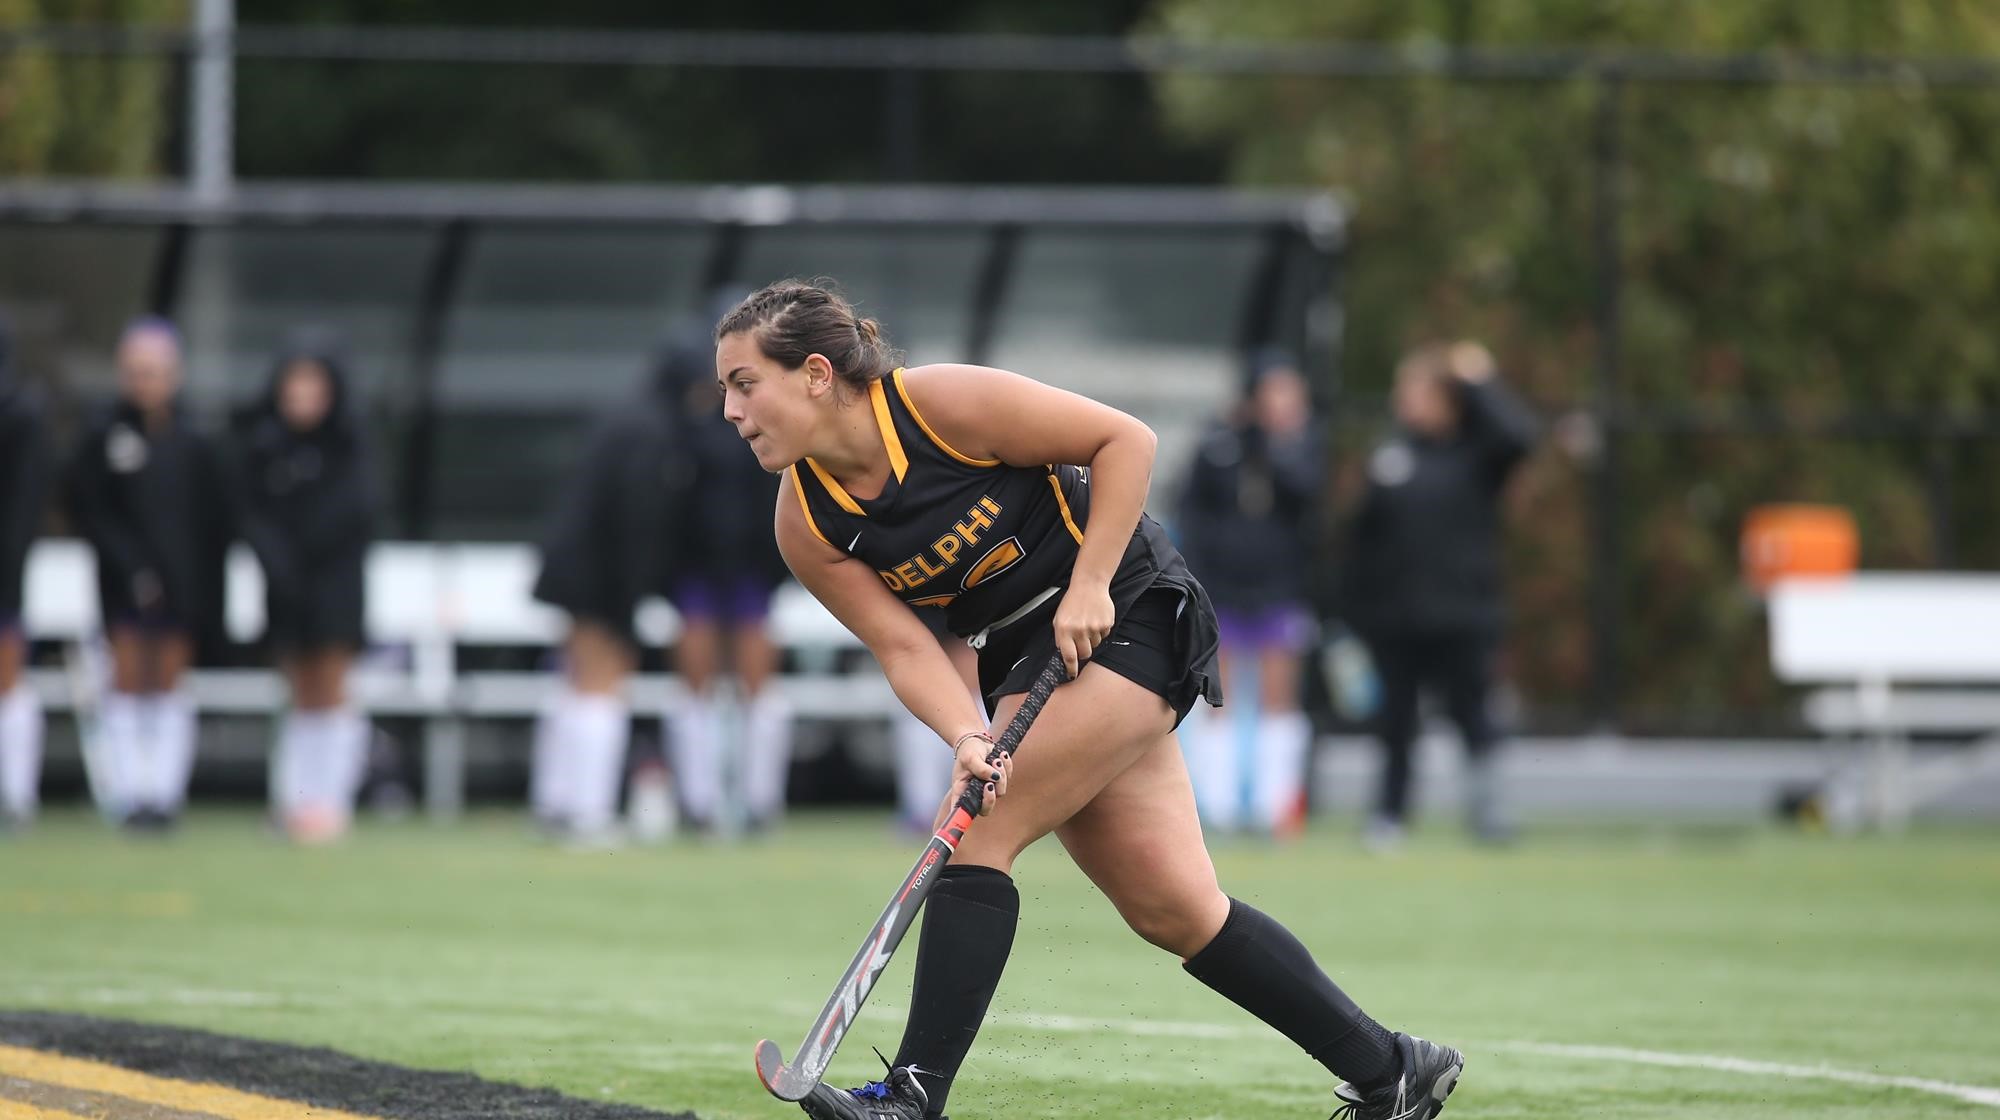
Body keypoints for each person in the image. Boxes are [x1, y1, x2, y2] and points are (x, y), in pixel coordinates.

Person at [715, 280, 1463, 1120]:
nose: (734, 411)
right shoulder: (806, 521)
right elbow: (904, 647)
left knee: (974, 831)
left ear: (816, 373)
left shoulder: (940, 405)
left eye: (746, 384)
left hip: (1132, 608)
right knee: (1175, 910)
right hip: (1022, 658)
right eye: (726, 393)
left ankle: (913, 1097)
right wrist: (965, 731)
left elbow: (1125, 441)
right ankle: (1393, 1070)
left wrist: (1092, 581)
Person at [1340, 340, 1538, 850]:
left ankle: (1490, 815)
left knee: (1475, 715)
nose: (1405, 401)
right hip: (1397, 618)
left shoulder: (1478, 453)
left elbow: (1521, 437)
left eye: (1417, 391)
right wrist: (1354, 610)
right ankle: (1389, 817)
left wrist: (1476, 379)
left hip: (1464, 615)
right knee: (1396, 724)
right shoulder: (1392, 454)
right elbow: (1362, 539)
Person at [65, 316, 230, 831]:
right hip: (121, 582)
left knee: (169, 682)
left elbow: (212, 521)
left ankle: (163, 795)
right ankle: (128, 794)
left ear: (174, 374)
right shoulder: (103, 435)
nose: (145, 381)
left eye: (155, 370)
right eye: (136, 370)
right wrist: (130, 565)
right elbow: (89, 508)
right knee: (127, 679)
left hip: (181, 585)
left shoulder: (194, 440)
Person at [528, 334, 691, 844]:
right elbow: (635, 522)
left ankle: (556, 802)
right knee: (601, 689)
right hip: (599, 577)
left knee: (575, 687)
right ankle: (588, 813)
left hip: (576, 569)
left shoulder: (627, 417)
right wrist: (633, 594)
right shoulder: (654, 431)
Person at [231, 329, 379, 843]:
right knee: (297, 691)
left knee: (331, 688)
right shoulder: (265, 445)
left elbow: (354, 514)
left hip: (334, 583)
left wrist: (307, 555)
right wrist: (279, 561)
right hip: (284, 584)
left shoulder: (350, 444)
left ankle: (330, 802)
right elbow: (252, 514)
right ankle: (294, 800)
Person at [1175, 348, 1325, 837]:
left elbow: (1307, 495)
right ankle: (1216, 806)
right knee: (1221, 696)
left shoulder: (1302, 445)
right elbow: (1193, 509)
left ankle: (1274, 805)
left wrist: (1271, 444)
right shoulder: (1219, 444)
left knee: (1280, 694)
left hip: (1280, 587)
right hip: (1221, 587)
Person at [661, 323, 790, 835]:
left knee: (759, 689)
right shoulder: (682, 428)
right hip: (696, 573)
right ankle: (698, 801)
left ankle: (761, 802)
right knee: (695, 688)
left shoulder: (773, 428)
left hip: (752, 574)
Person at [0, 316, 51, 829]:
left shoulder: (21, 414)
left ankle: (15, 795)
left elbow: (23, 506)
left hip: (4, 572)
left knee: (7, 682)